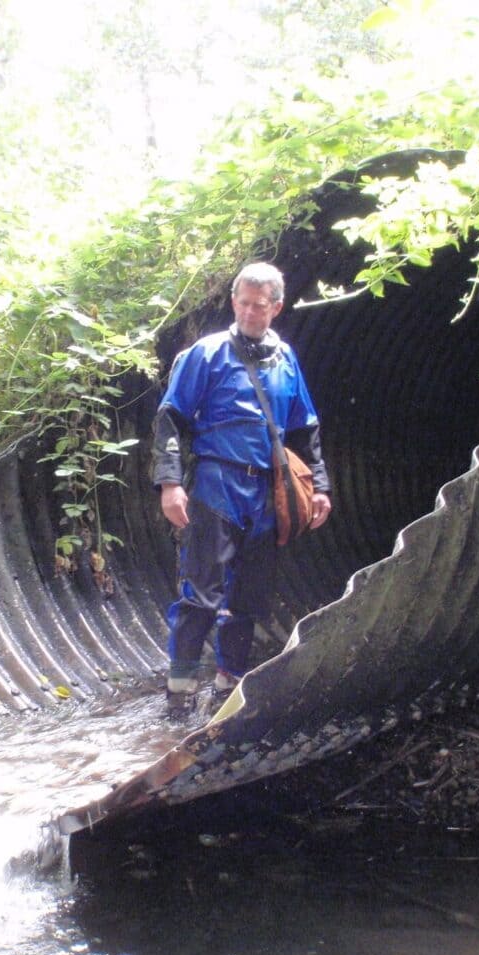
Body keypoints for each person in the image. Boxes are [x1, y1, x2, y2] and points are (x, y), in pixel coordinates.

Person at [152, 262, 332, 713]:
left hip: (268, 491)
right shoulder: (208, 354)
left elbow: (304, 428)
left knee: (250, 595)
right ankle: (179, 693)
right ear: (234, 302)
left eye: (261, 305)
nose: (252, 312)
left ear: (277, 307)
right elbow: (170, 418)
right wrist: (171, 483)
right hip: (217, 483)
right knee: (202, 593)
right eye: (244, 303)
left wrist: (321, 487)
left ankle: (227, 683)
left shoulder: (285, 358)